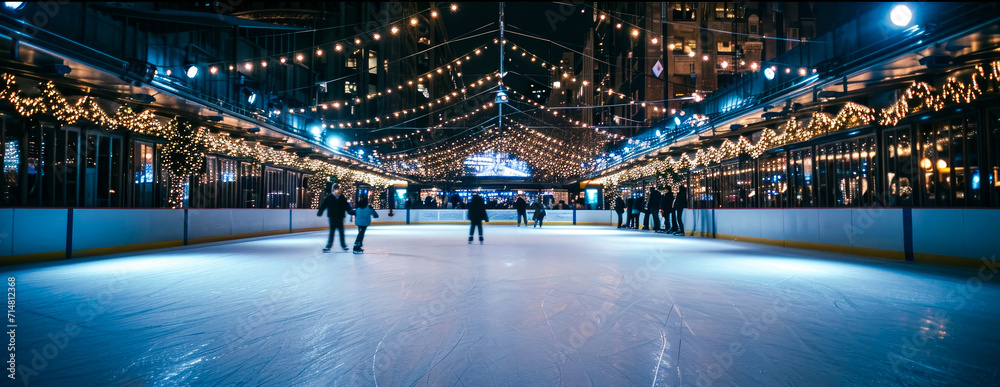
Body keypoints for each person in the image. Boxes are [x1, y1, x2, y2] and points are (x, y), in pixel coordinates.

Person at [317, 183, 355, 252]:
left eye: (339, 190)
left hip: (340, 217)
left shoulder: (342, 198)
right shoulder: (329, 197)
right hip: (332, 217)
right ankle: (329, 245)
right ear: (333, 190)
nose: (339, 191)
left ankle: (343, 245)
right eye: (337, 190)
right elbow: (323, 205)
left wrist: (351, 211)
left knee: (341, 232)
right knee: (332, 232)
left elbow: (347, 206)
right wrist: (320, 212)